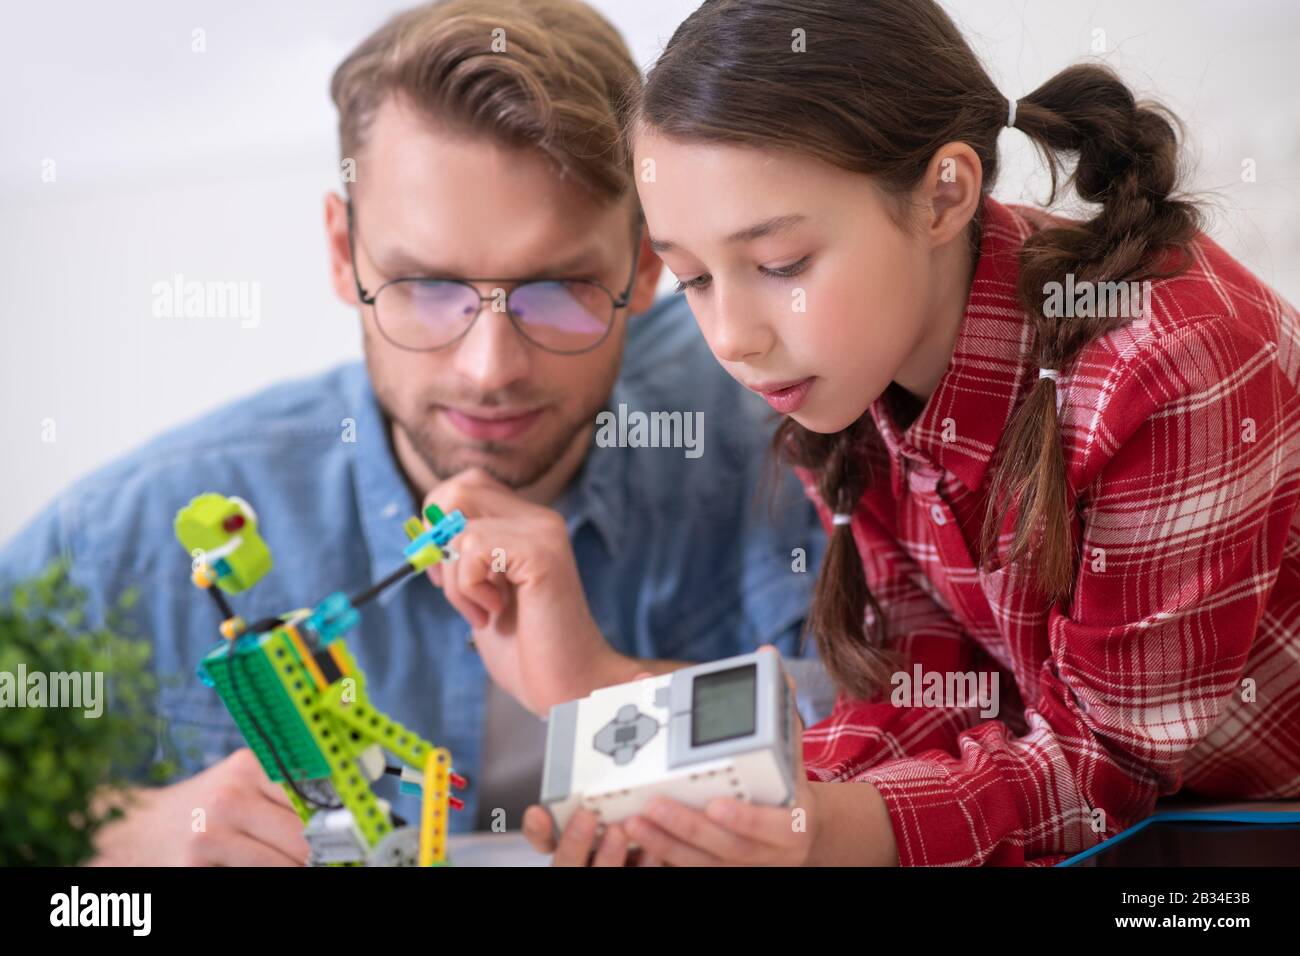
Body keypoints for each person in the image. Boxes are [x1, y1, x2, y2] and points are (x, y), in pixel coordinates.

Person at [0, 0, 830, 866]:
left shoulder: (794, 438)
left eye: (559, 288)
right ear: (341, 251)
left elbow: (938, 747)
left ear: (649, 261)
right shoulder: (128, 537)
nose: (489, 368)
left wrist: (620, 692)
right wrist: (109, 834)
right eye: (427, 287)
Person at [523, 0, 1300, 866]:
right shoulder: (846, 371)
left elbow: (1108, 772)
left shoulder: (1172, 368)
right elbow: (931, 689)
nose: (732, 338)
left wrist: (820, 829)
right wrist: (740, 816)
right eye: (694, 278)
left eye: (782, 265)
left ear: (944, 196)